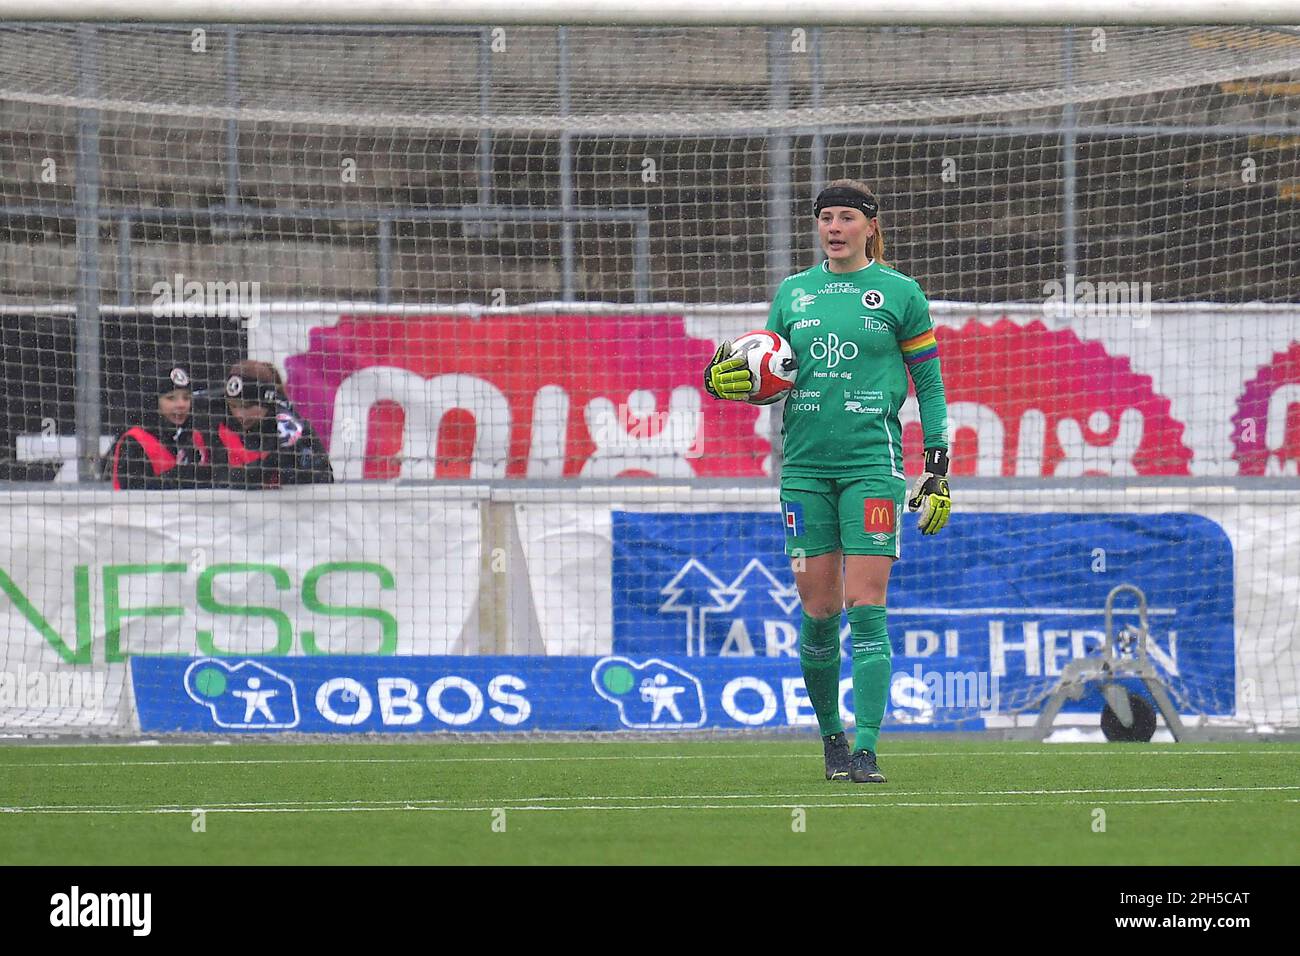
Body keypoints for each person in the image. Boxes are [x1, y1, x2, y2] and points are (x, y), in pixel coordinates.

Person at [704, 179, 951, 783]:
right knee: (818, 611)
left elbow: (931, 385)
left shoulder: (900, 294)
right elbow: (766, 372)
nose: (833, 227)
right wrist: (723, 382)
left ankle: (867, 748)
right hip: (805, 471)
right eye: (824, 218)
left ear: (870, 226)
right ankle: (832, 740)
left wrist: (937, 464)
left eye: (846, 217)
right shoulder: (793, 294)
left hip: (873, 467)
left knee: (866, 605)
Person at [193, 360, 334, 488]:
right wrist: (267, 465)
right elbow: (222, 481)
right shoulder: (217, 428)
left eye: (248, 406)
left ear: (267, 402)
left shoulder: (295, 430)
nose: (240, 415)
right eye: (234, 405)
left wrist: (291, 462)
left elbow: (323, 481)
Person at [108, 363, 216, 490]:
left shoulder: (196, 438)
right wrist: (182, 477)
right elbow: (132, 493)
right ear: (154, 402)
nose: (181, 404)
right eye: (171, 398)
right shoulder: (135, 440)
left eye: (186, 398)